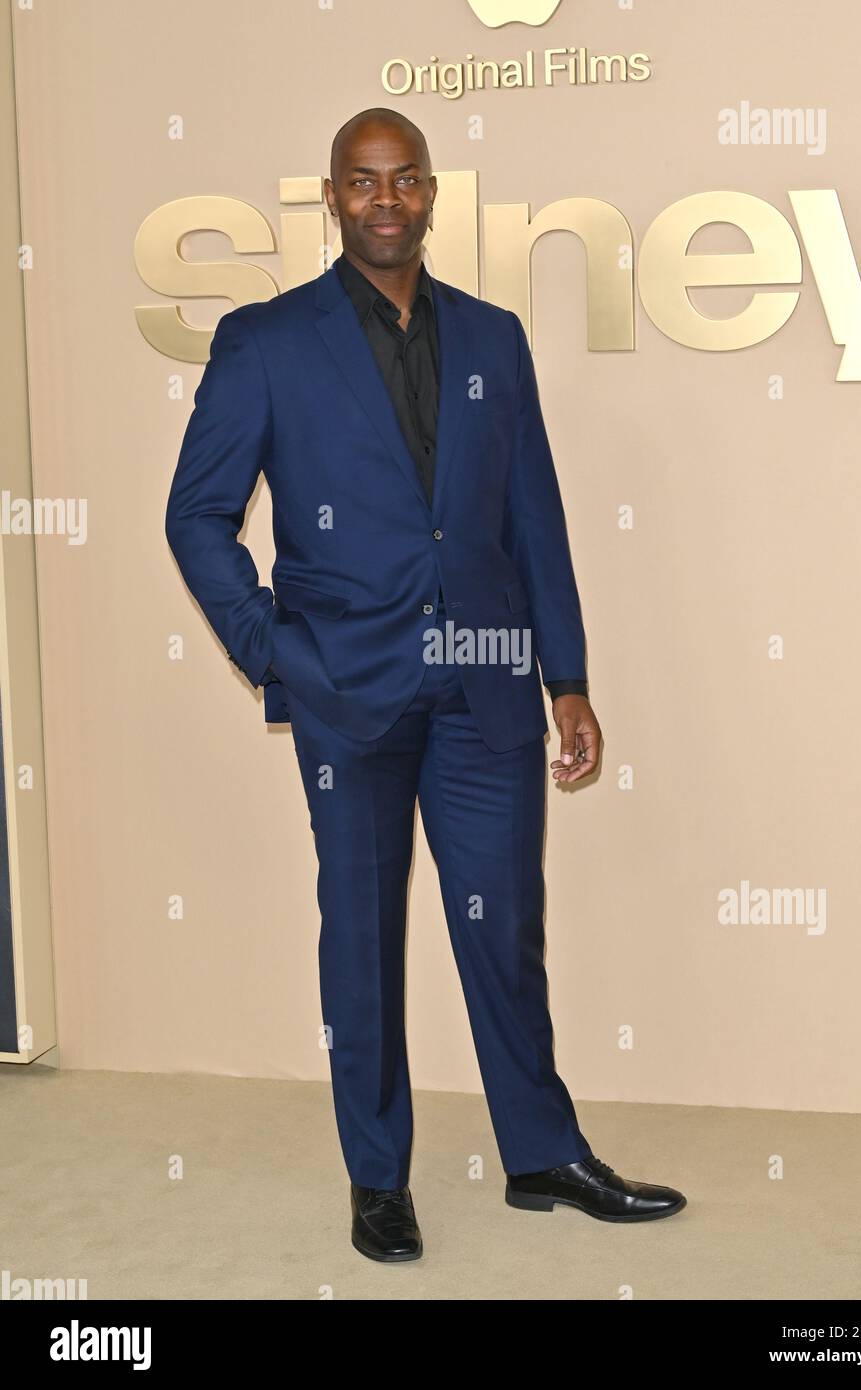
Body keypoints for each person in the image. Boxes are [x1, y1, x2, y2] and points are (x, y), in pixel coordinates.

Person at [165, 107, 687, 1263]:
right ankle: (376, 1178)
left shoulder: (496, 338)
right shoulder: (268, 341)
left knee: (504, 932)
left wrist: (570, 675)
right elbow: (194, 516)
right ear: (333, 197)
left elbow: (531, 519)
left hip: (488, 687)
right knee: (362, 936)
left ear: (432, 195)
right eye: (363, 182)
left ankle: (542, 1153)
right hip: (345, 690)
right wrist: (271, 645)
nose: (385, 200)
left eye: (404, 181)